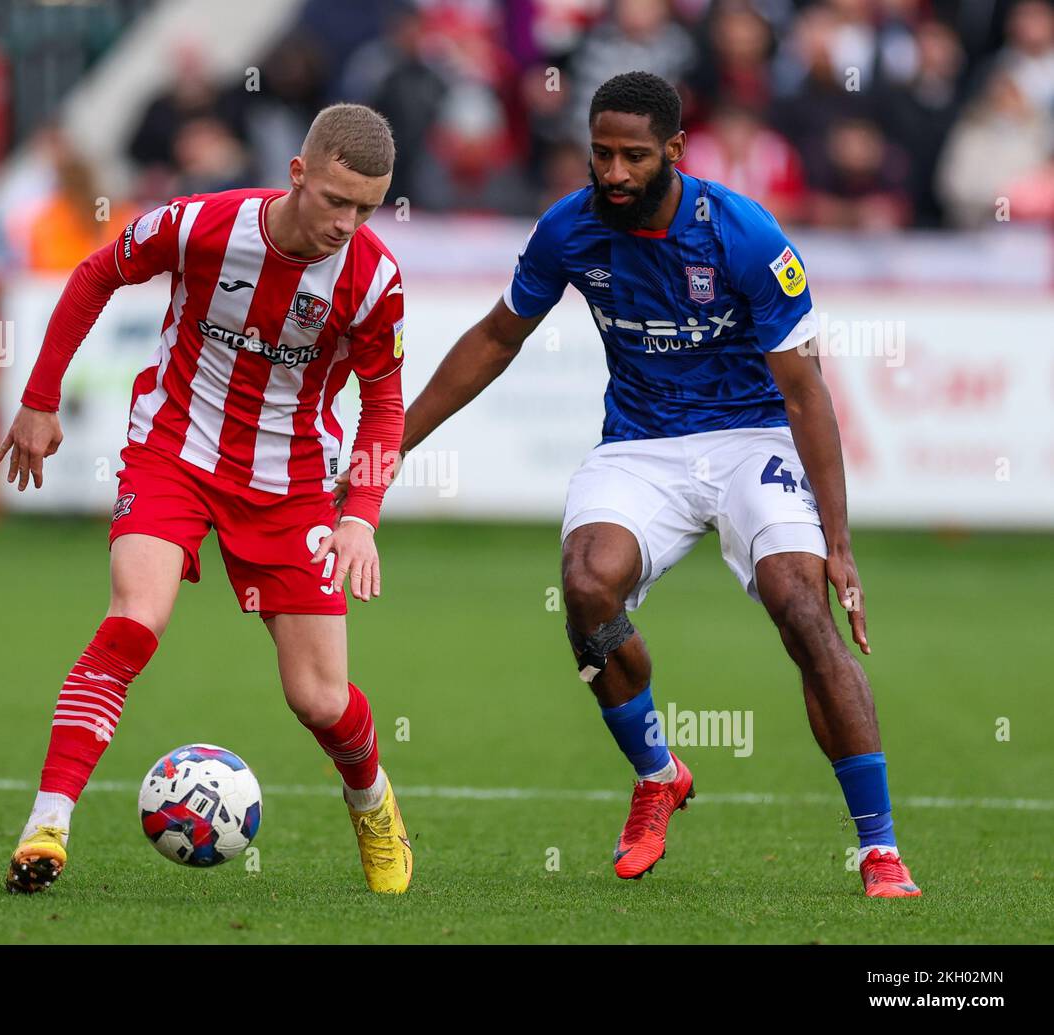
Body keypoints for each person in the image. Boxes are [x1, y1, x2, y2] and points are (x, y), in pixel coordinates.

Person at [390, 72, 920, 898]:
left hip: (751, 437)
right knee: (585, 584)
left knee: (801, 604)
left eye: (633, 156)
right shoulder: (569, 229)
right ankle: (656, 772)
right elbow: (498, 336)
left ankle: (880, 848)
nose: (613, 172)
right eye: (600, 153)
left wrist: (839, 545)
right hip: (640, 444)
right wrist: (393, 441)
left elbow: (805, 392)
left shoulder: (743, 235)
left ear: (674, 150)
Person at [0, 103, 412, 895]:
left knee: (318, 697)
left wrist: (359, 515)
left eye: (366, 207)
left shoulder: (373, 279)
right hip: (172, 453)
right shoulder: (200, 225)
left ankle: (373, 803)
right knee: (132, 621)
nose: (346, 223)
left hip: (290, 486)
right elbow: (94, 275)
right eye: (335, 199)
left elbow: (384, 404)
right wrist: (40, 398)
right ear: (298, 173)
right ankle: (47, 822)